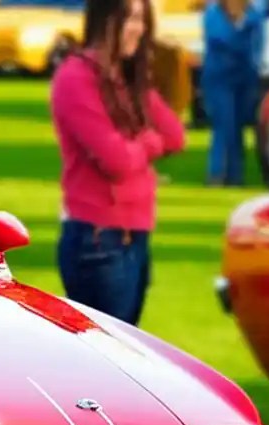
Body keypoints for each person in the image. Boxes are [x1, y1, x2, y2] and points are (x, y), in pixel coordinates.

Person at [49, 0, 186, 326]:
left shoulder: (125, 81)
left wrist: (140, 82)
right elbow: (117, 160)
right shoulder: (76, 78)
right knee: (110, 361)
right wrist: (149, 143)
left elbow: (176, 134)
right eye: (127, 19)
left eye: (141, 19)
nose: (136, 29)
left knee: (127, 354)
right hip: (99, 239)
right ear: (102, 20)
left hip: (135, 235)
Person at [200, 0, 265, 186]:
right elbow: (219, 39)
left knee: (238, 127)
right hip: (219, 78)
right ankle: (216, 173)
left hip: (245, 78)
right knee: (223, 124)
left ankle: (236, 175)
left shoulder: (255, 12)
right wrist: (242, 31)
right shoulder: (213, 13)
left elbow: (259, 44)